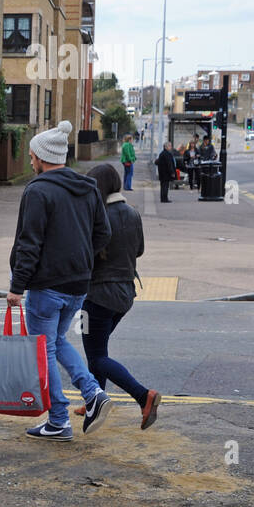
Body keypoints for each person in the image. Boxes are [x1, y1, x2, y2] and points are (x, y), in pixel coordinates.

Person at [6, 120, 113, 441]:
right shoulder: (88, 188)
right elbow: (103, 234)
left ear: (41, 156)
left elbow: (29, 243)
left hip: (46, 286)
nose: (29, 161)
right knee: (58, 342)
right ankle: (93, 392)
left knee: (44, 351)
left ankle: (58, 420)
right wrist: (79, 259)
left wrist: (16, 287)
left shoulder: (38, 191)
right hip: (78, 285)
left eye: (31, 156)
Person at [72, 163, 161, 430]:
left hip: (98, 294)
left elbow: (85, 254)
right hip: (125, 294)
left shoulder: (98, 217)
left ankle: (143, 396)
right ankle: (93, 400)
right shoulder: (133, 213)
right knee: (98, 350)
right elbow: (140, 250)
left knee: (97, 356)